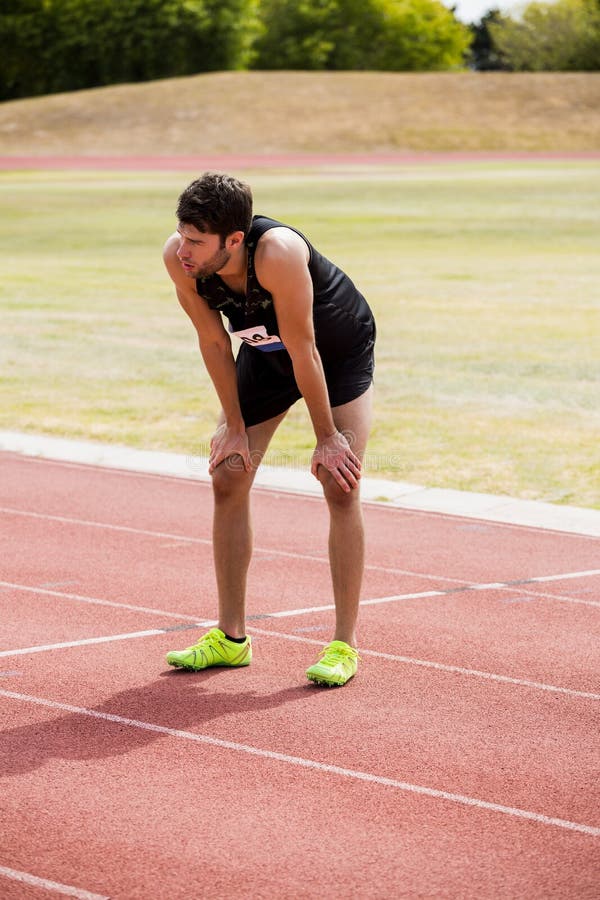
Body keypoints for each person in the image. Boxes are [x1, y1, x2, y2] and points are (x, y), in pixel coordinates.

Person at [163, 172, 376, 686]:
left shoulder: (277, 253)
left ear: (234, 240)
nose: (184, 250)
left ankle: (343, 645)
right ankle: (231, 638)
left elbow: (306, 349)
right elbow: (215, 344)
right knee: (228, 475)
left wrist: (328, 439)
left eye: (197, 241)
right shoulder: (180, 259)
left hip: (334, 352)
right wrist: (233, 426)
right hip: (265, 351)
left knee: (339, 482)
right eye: (183, 235)